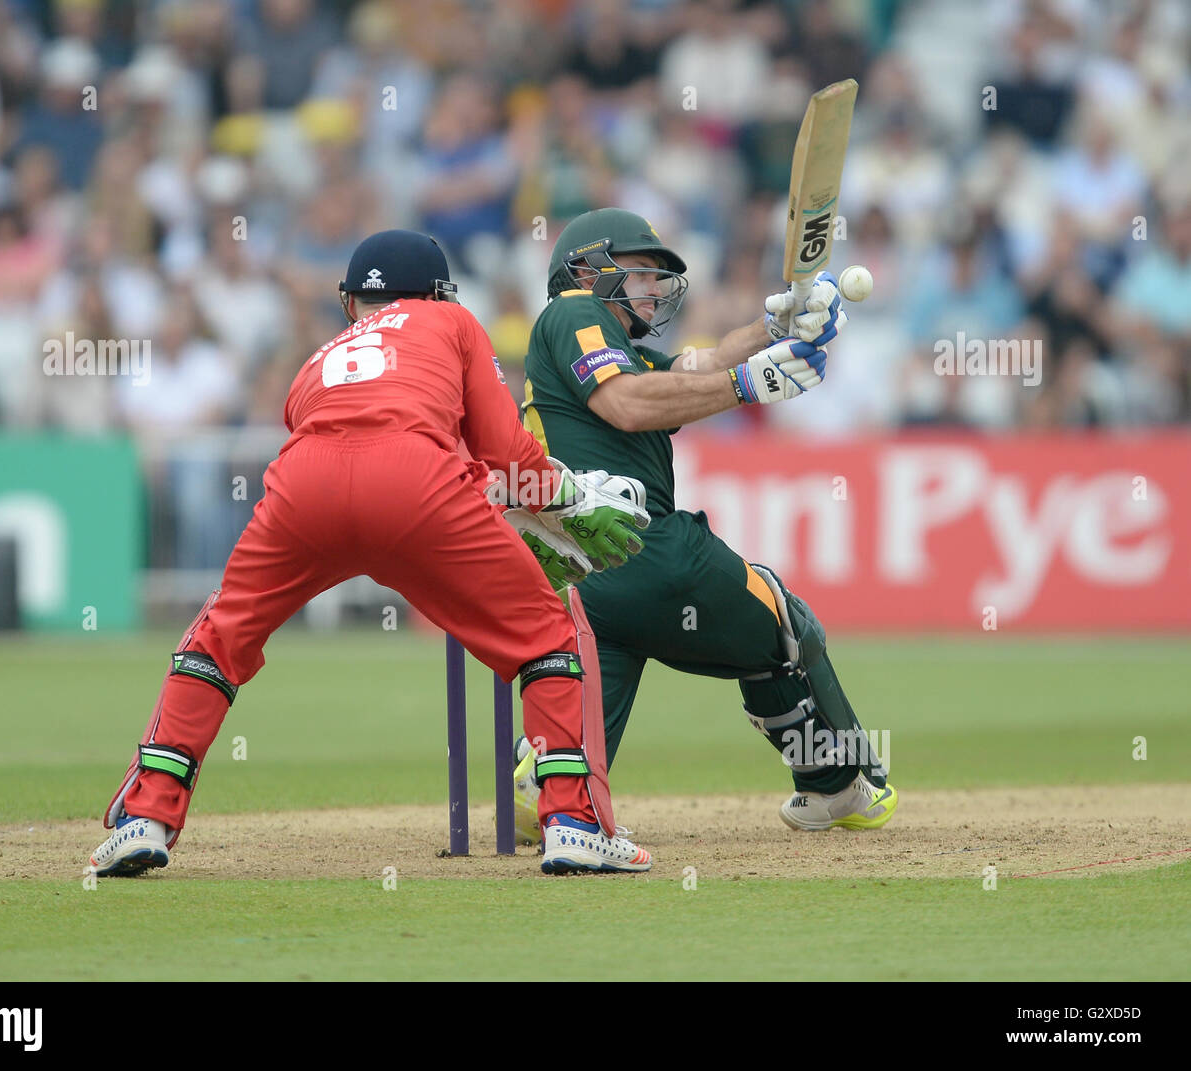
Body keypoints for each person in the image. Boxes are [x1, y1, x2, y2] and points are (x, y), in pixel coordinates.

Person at [89, 229, 653, 877]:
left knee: (215, 640)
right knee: (546, 640)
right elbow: (501, 447)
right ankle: (573, 825)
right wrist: (567, 494)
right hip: (416, 485)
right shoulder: (453, 320)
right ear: (440, 291)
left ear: (352, 300)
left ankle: (146, 817)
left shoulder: (316, 357)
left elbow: (320, 429)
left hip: (305, 487)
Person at [514, 208, 897, 834]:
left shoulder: (620, 353)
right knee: (781, 623)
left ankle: (547, 780)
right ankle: (845, 782)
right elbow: (627, 404)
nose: (657, 288)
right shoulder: (573, 312)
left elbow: (703, 367)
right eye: (641, 272)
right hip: (646, 547)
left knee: (580, 720)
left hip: (583, 579)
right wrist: (754, 383)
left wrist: (775, 325)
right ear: (586, 269)